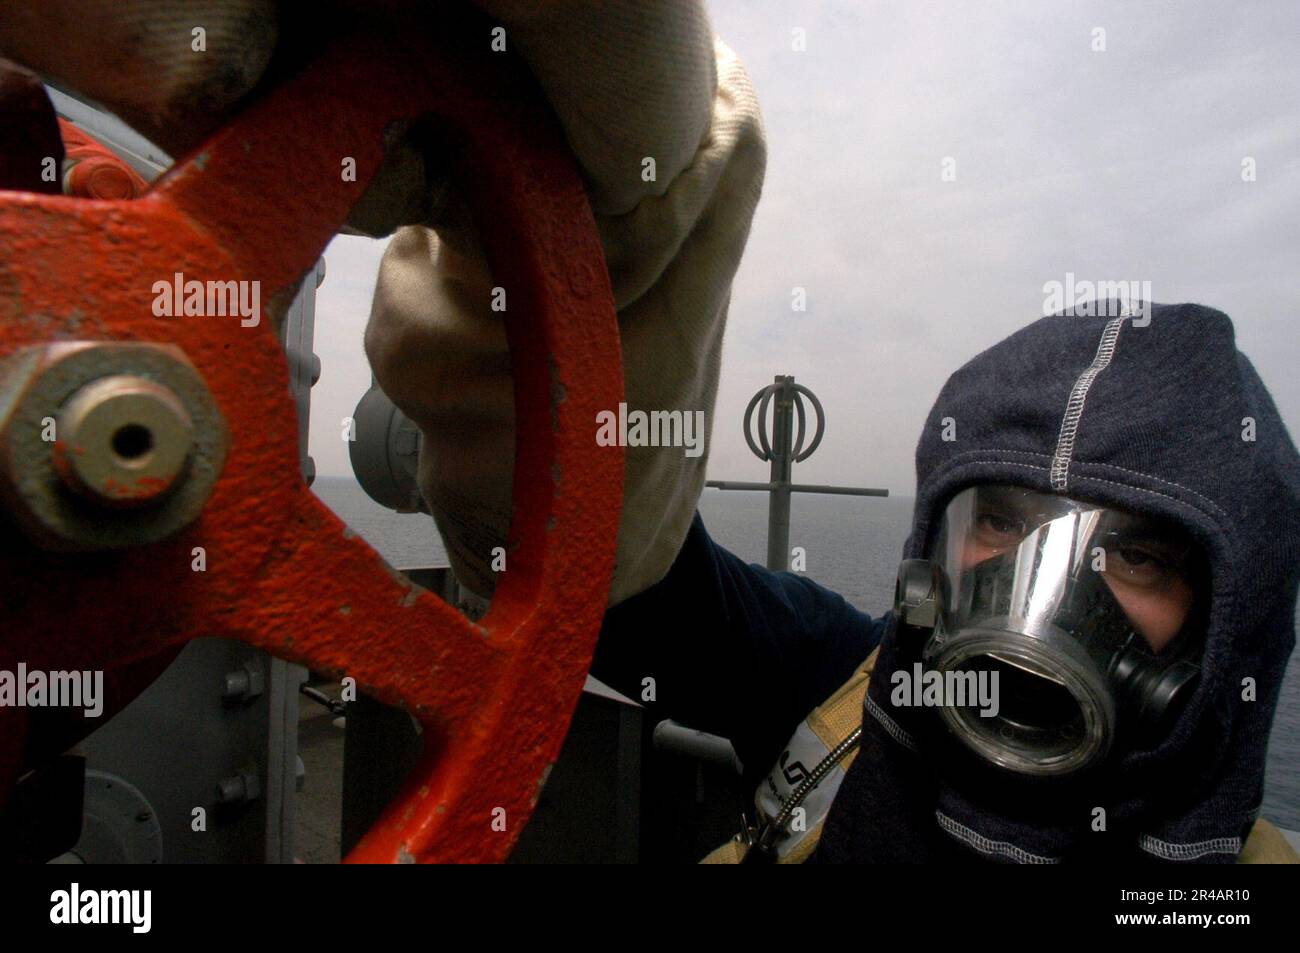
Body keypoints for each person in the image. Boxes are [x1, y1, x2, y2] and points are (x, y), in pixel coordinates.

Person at [8, 0, 1296, 864]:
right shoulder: (850, 692)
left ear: (1240, 613)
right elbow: (628, 592)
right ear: (932, 541)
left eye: (1135, 562)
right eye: (999, 524)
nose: (1029, 600)